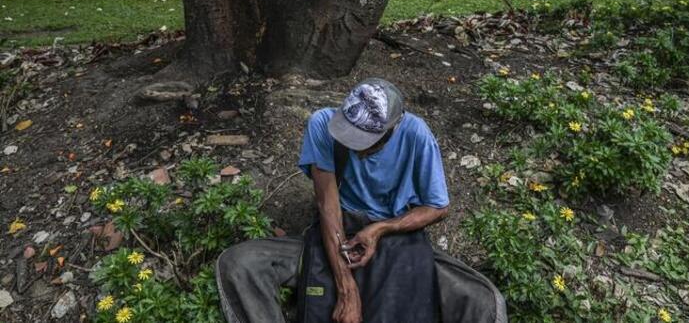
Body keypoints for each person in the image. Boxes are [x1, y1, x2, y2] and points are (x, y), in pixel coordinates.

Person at [215, 79, 507, 323]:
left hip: (396, 237)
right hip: (338, 232)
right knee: (239, 264)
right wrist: (346, 289)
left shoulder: (417, 134)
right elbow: (327, 205)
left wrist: (380, 230)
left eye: (366, 142)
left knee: (483, 301)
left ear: (393, 127)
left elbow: (437, 207)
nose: (356, 149)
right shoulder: (323, 125)